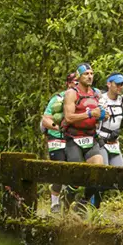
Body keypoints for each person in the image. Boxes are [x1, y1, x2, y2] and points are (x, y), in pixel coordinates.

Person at [63, 62, 106, 208]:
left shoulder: (96, 93)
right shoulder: (71, 93)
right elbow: (68, 117)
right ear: (79, 76)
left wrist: (103, 115)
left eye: (91, 74)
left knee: (98, 172)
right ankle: (66, 202)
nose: (89, 76)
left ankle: (82, 203)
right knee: (77, 176)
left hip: (90, 137)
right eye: (86, 74)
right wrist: (89, 114)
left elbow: (100, 112)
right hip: (74, 138)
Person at [41, 73, 77, 213]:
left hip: (73, 139)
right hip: (57, 138)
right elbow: (46, 120)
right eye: (74, 82)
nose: (76, 85)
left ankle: (69, 202)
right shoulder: (58, 99)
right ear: (68, 84)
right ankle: (54, 203)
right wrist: (58, 127)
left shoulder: (83, 97)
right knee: (59, 170)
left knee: (74, 171)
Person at [98, 72, 123, 168]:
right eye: (118, 84)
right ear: (109, 84)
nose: (121, 87)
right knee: (104, 171)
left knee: (120, 172)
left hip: (114, 142)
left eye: (122, 84)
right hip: (101, 141)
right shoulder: (101, 99)